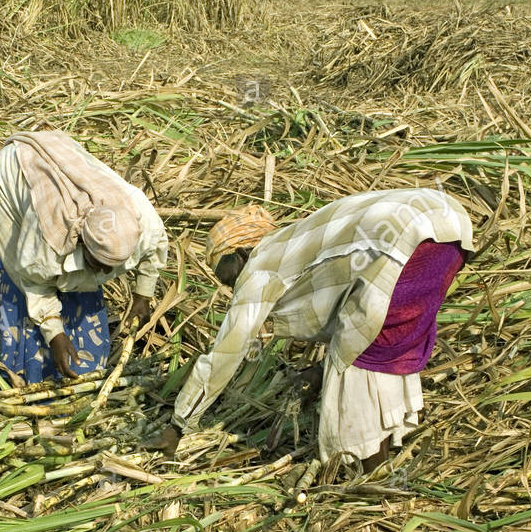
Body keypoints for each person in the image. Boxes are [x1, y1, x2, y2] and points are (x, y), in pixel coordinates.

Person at [150, 189, 475, 473]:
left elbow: (225, 353)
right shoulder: (293, 242)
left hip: (406, 238)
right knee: (385, 348)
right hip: (450, 225)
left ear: (240, 253)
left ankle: (372, 480)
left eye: (226, 275)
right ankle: (383, 465)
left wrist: (179, 425)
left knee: (358, 362)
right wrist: (319, 371)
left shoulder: (259, 266)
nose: (229, 286)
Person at [0, 130, 168, 383]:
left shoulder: (141, 220)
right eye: (100, 264)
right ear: (82, 243)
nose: (105, 274)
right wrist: (54, 333)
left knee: (83, 291)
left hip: (63, 156)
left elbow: (152, 249)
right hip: (14, 169)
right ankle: (31, 378)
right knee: (17, 283)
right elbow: (33, 282)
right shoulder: (44, 244)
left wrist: (143, 294)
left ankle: (88, 372)